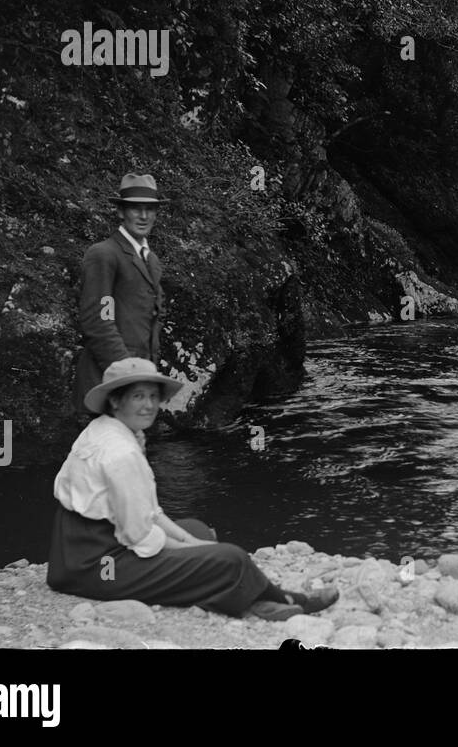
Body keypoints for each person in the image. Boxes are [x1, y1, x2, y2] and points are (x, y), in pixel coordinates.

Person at [48, 357, 337, 620]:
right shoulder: (122, 453)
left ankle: (253, 602)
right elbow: (139, 536)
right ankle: (284, 598)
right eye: (137, 396)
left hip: (74, 560)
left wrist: (190, 540)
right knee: (230, 557)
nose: (148, 405)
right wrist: (200, 549)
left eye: (152, 396)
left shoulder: (106, 429)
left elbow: (148, 511)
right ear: (115, 401)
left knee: (197, 530)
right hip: (98, 569)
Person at [72, 173, 168, 415]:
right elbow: (98, 322)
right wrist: (129, 376)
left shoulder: (151, 260)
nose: (144, 216)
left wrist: (146, 380)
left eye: (150, 209)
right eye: (136, 208)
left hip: (137, 385)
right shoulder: (104, 254)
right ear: (121, 212)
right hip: (106, 385)